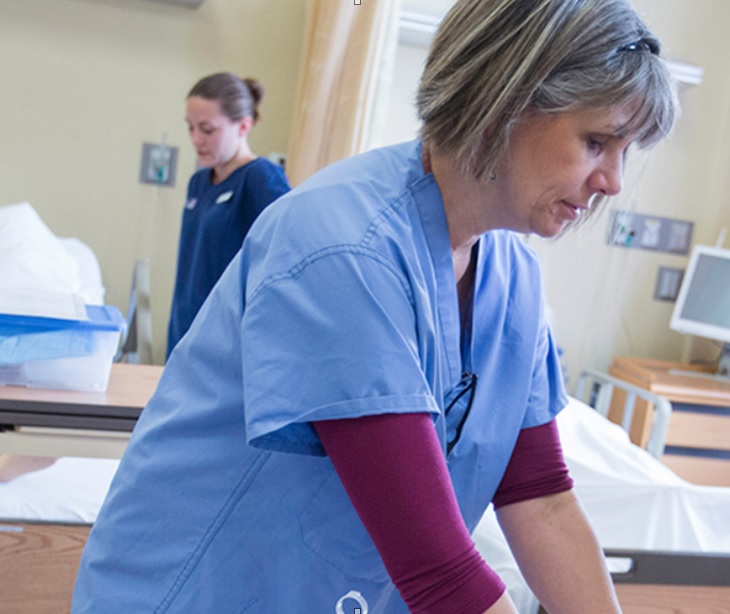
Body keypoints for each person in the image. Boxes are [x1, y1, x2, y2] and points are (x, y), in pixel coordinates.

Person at [73, 0, 677, 612]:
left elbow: (541, 497)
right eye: (597, 141)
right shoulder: (343, 247)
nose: (613, 181)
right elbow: (437, 569)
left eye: (626, 152)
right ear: (503, 103)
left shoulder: (513, 277)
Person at [167, 72, 290, 358]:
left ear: (243, 125)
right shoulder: (199, 182)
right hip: (185, 332)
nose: (196, 139)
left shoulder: (261, 179)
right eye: (191, 128)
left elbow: (286, 259)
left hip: (228, 345)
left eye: (208, 130)